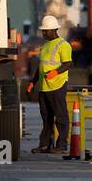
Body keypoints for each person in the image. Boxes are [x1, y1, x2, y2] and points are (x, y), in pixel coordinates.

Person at [32, 15, 73, 154]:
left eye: (46, 31)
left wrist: (56, 73)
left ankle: (61, 145)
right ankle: (45, 145)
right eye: (43, 31)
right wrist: (33, 82)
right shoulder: (44, 46)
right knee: (46, 118)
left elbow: (68, 64)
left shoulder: (64, 45)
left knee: (60, 117)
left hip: (57, 85)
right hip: (44, 86)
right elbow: (41, 67)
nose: (43, 33)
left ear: (54, 30)